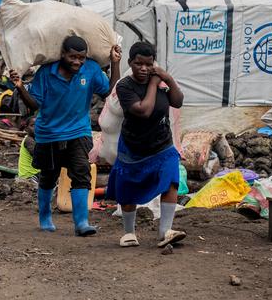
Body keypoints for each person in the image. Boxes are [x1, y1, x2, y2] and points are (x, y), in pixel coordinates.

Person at [12, 36, 121, 236]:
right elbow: (34, 104)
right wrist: (19, 87)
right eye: (73, 57)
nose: (77, 62)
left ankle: (82, 222)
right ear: (62, 54)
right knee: (48, 177)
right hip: (49, 133)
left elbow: (110, 92)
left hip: (79, 131)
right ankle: (45, 216)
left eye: (81, 58)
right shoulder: (46, 72)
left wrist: (115, 63)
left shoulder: (91, 69)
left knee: (81, 173)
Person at [107, 41, 186, 249]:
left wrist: (168, 78)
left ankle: (165, 231)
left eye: (148, 64)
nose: (144, 68)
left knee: (171, 180)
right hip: (133, 146)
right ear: (130, 63)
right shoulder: (125, 86)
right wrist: (153, 84)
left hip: (162, 143)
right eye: (138, 64)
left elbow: (177, 101)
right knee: (128, 188)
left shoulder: (161, 81)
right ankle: (129, 232)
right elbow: (144, 111)